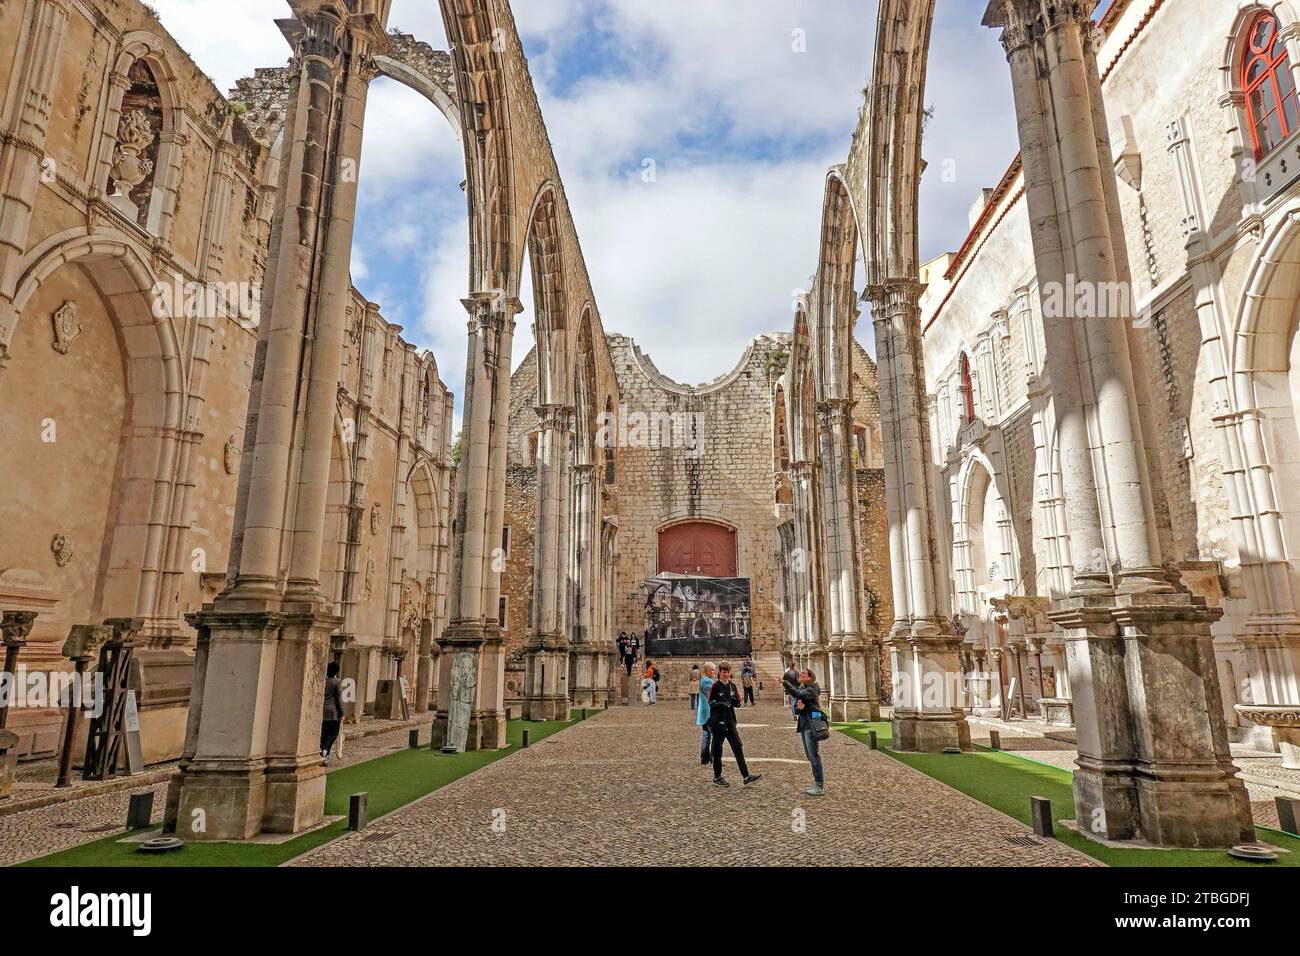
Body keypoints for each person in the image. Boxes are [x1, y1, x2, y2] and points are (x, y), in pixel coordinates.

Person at [708, 663, 762, 788]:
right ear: (720, 673)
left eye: (727, 672)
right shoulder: (715, 686)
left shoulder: (732, 686)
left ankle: (746, 776)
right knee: (717, 749)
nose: (726, 674)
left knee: (738, 747)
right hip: (718, 722)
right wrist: (721, 704)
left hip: (730, 722)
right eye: (723, 672)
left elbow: (737, 702)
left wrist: (736, 702)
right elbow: (710, 702)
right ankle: (717, 776)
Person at [783, 666, 826, 796]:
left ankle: (819, 785)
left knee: (813, 755)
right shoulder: (803, 689)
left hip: (811, 725)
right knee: (810, 755)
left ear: (809, 677)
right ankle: (817, 783)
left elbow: (799, 695)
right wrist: (799, 708)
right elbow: (796, 709)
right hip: (804, 724)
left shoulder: (812, 689)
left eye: (803, 673)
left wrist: (785, 683)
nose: (800, 674)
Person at [320, 661, 345, 766]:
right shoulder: (336, 682)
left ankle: (324, 756)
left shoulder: (324, 681)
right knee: (333, 734)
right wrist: (342, 713)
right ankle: (325, 752)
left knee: (324, 734)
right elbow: (338, 699)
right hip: (333, 711)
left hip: (323, 710)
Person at [696, 662, 715, 764]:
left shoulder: (703, 680)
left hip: (704, 711)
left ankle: (704, 757)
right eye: (712, 670)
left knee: (706, 734)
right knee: (714, 735)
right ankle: (713, 758)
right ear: (707, 671)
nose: (714, 672)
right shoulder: (708, 682)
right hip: (709, 711)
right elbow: (713, 696)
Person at [782, 655, 800, 720]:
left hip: (790, 689)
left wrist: (785, 688)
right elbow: (798, 681)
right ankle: (796, 714)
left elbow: (783, 681)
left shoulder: (786, 673)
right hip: (796, 689)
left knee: (792, 702)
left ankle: (794, 715)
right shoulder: (796, 672)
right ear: (794, 666)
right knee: (795, 702)